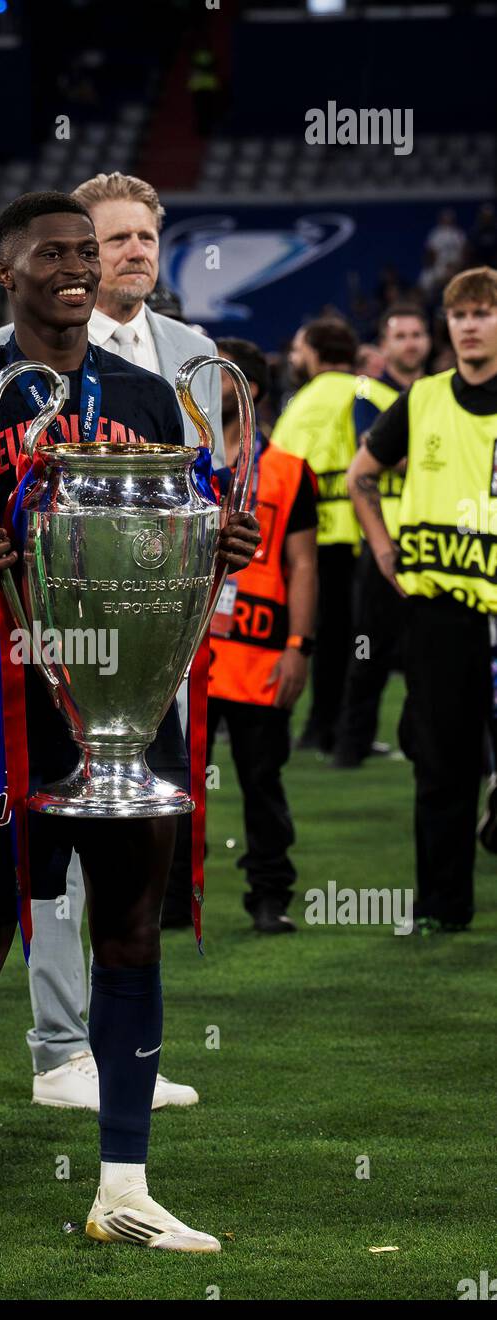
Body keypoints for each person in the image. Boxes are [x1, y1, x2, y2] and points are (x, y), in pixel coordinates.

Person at [0, 191, 259, 1267]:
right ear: (5, 273)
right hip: (1, 720)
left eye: (84, 254)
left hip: (122, 724)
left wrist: (218, 539)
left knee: (131, 938)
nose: (74, 269)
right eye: (49, 254)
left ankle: (125, 1188)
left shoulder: (147, 400)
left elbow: (174, 543)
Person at [0, 171, 224, 1111]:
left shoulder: (193, 352)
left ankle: (124, 1051)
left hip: (156, 629)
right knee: (59, 838)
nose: (126, 255)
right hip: (56, 641)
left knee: (133, 829)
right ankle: (59, 1049)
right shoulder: (9, 355)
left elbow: (210, 486)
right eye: (108, 238)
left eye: (140, 240)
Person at [348, 266, 497, 933]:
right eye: (461, 315)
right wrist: (383, 551)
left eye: (484, 313)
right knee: (441, 761)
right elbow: (361, 476)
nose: (470, 325)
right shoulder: (424, 399)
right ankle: (443, 906)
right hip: (440, 611)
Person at [164, 339, 318, 934]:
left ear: (249, 391)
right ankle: (174, 901)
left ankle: (269, 897)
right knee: (177, 781)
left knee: (262, 781)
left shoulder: (287, 470)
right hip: (188, 653)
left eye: (219, 376)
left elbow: (304, 564)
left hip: (259, 656)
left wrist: (299, 647)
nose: (205, 385)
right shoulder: (180, 463)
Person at [333, 305, 431, 768]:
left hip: (433, 538)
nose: (411, 343)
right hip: (381, 537)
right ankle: (350, 747)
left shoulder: (437, 394)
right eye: (401, 335)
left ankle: (423, 743)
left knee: (430, 651)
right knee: (368, 646)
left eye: (417, 334)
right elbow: (373, 456)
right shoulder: (369, 392)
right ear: (385, 346)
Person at [271, 317, 366, 754]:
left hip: (316, 540)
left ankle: (316, 728)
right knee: (361, 645)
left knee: (315, 637)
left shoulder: (302, 404)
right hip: (383, 540)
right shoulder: (379, 393)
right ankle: (351, 735)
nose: (294, 358)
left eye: (298, 349)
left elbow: (281, 474)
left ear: (314, 353)